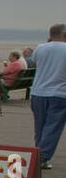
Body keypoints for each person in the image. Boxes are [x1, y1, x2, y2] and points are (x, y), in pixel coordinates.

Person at [29, 23, 66, 169]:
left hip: (38, 92)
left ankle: (38, 154)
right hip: (60, 93)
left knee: (40, 126)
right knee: (53, 127)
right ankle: (42, 157)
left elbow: (34, 62)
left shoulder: (40, 48)